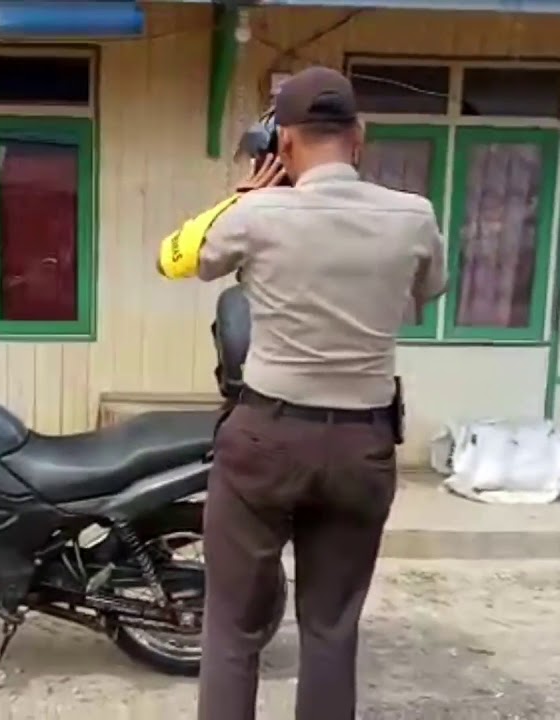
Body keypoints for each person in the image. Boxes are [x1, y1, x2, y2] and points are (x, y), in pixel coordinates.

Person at [157, 66, 448, 720]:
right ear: (360, 136)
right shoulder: (414, 216)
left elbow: (172, 257)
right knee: (331, 630)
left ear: (281, 144)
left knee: (231, 629)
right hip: (363, 445)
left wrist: (239, 198)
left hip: (265, 440)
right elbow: (428, 293)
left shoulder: (255, 214)